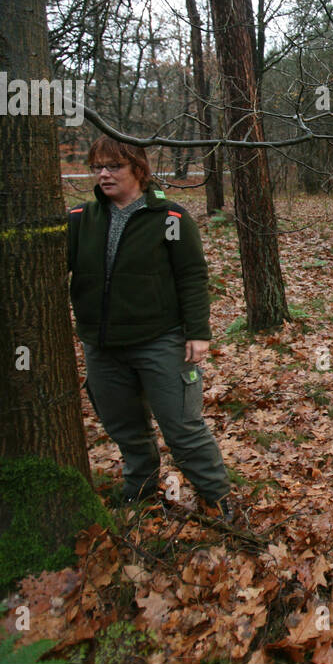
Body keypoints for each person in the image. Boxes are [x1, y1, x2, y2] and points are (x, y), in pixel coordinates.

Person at [67, 135, 234, 523]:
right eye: (98, 167)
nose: (104, 174)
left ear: (138, 169)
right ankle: (140, 488)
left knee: (182, 427)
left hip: (161, 341)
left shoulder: (170, 219)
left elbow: (191, 276)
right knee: (125, 427)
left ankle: (215, 496)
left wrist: (198, 333)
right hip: (102, 346)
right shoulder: (81, 219)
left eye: (114, 166)